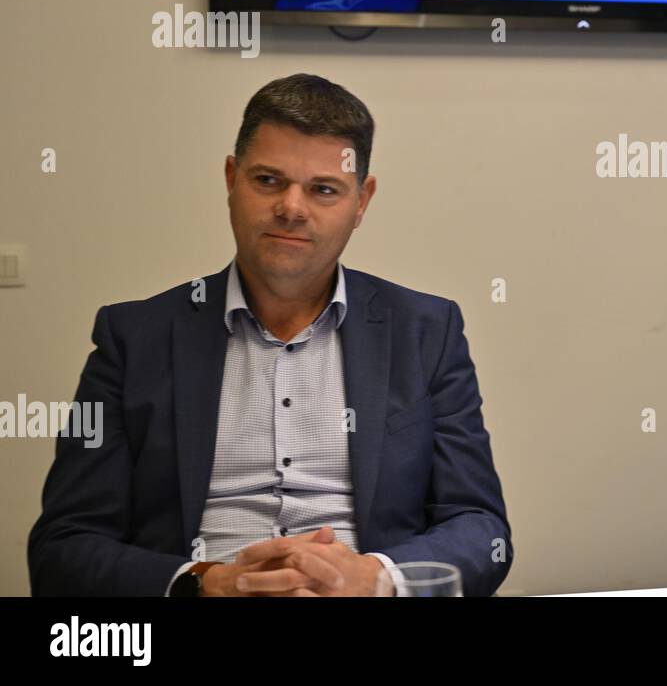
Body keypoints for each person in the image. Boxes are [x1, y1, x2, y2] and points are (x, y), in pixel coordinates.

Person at [29, 73, 511, 596]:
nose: (292, 208)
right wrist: (203, 583)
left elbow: (482, 529)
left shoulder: (427, 332)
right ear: (232, 178)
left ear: (362, 201)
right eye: (268, 181)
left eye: (323, 189)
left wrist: (375, 578)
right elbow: (64, 546)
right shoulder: (133, 337)